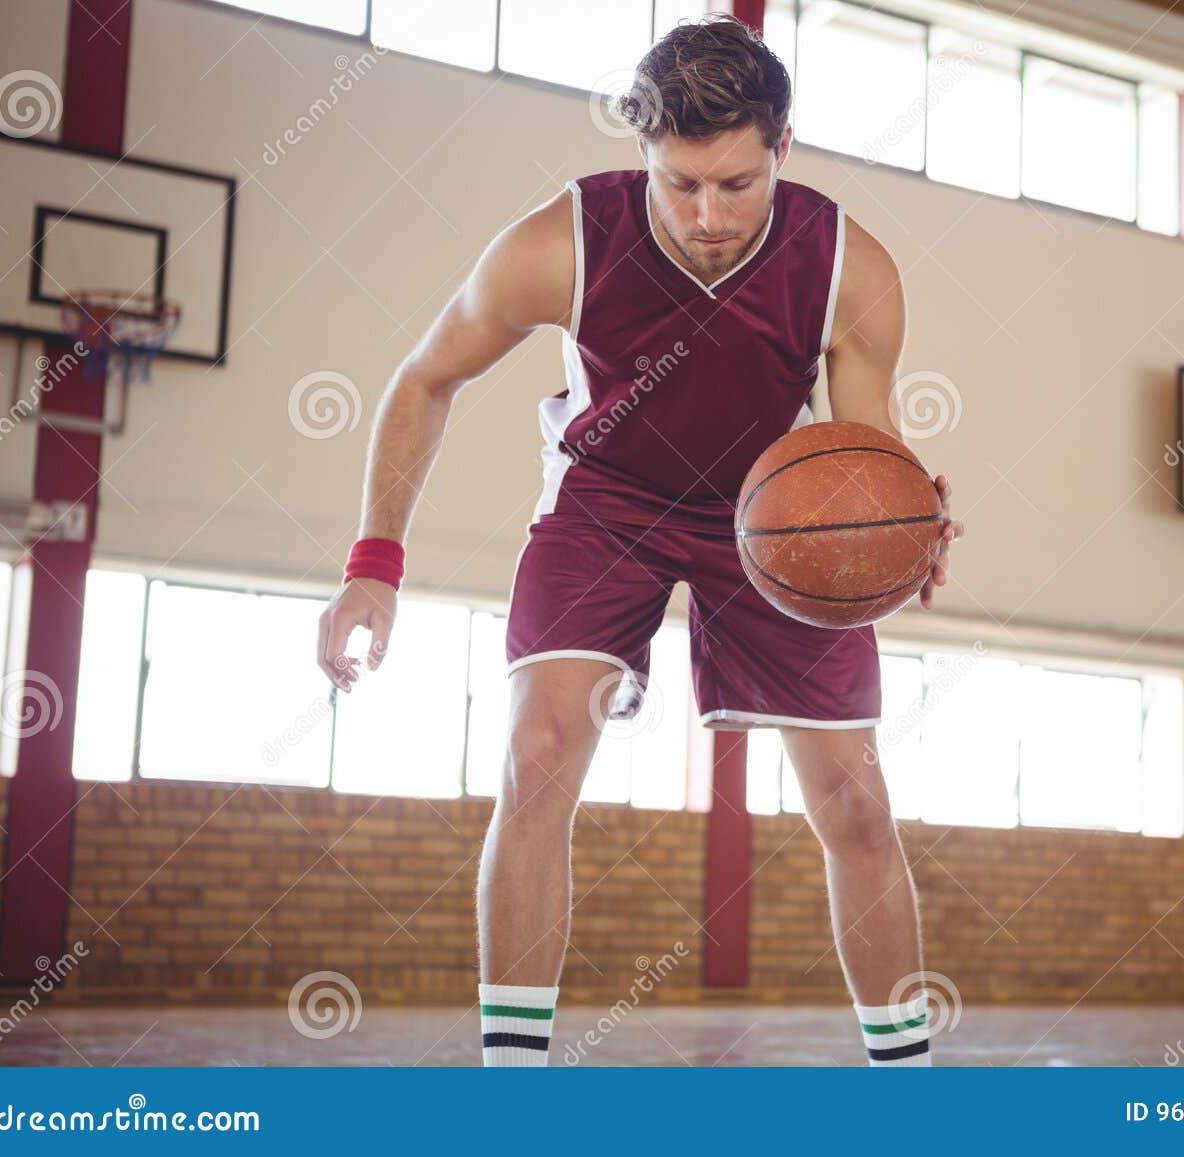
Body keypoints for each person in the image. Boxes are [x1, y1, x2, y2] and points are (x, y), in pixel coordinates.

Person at [317, 15, 962, 1067]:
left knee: (856, 800)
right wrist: (373, 566)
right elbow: (425, 377)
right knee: (536, 751)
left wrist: (899, 526)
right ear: (642, 154)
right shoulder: (559, 244)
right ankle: (512, 1087)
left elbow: (861, 449)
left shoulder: (849, 266)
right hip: (606, 499)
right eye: (679, 183)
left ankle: (910, 1088)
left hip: (770, 519)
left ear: (784, 147)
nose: (708, 215)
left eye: (737, 184)